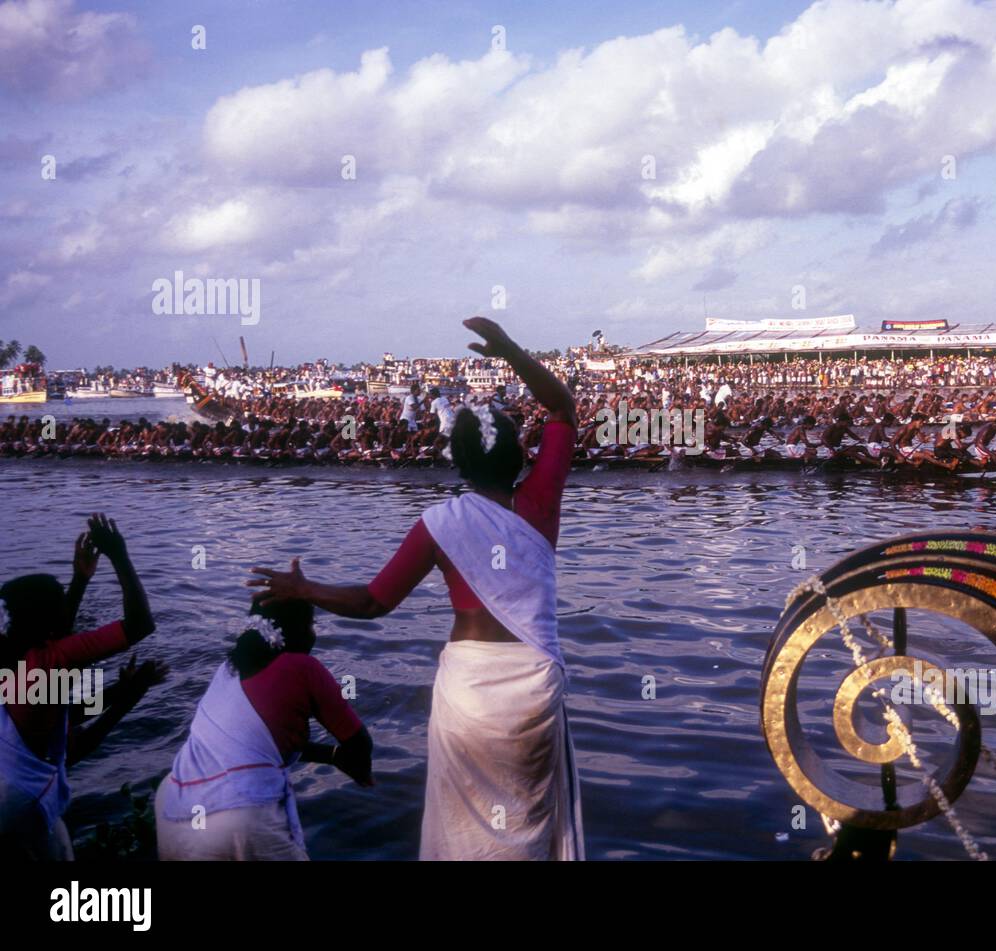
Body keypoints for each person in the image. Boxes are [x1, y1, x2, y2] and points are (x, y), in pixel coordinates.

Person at [249, 317, 583, 861]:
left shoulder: (439, 522)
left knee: (465, 829)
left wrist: (303, 589)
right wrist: (513, 354)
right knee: (529, 824)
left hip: (469, 695)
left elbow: (371, 603)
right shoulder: (539, 503)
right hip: (534, 691)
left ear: (462, 462)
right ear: (520, 456)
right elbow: (562, 409)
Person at [155, 599, 371, 861]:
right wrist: (351, 759)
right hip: (239, 817)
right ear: (297, 631)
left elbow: (248, 747)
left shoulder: (228, 669)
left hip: (173, 804)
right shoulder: (303, 668)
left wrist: (332, 756)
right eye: (311, 625)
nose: (314, 633)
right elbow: (361, 746)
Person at [0, 515, 157, 860]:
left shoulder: (13, 660)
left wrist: (79, 580)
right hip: (21, 806)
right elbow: (141, 624)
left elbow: (55, 706)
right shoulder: (49, 661)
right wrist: (119, 555)